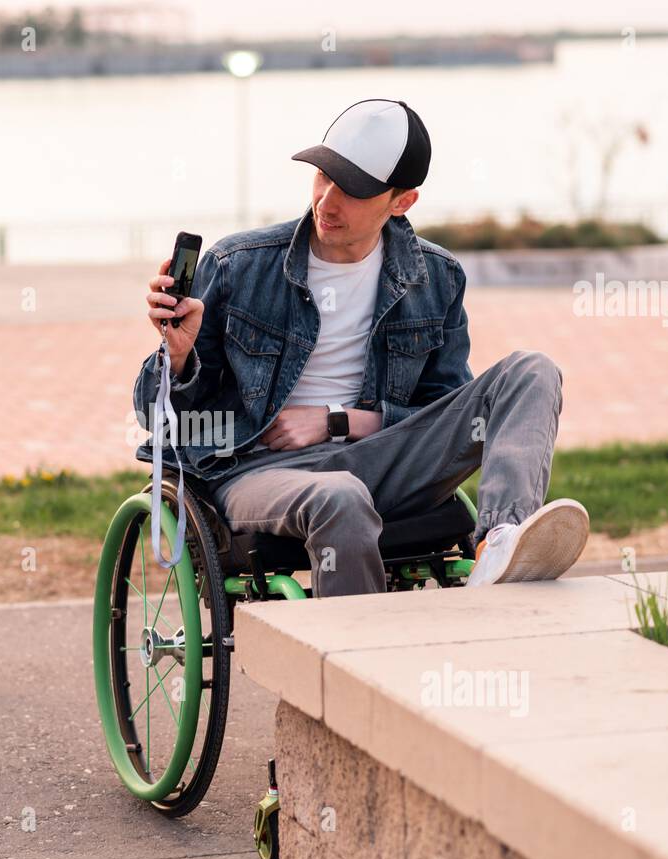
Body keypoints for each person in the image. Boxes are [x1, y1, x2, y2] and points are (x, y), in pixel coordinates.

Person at [132, 98, 589, 596]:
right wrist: (178, 357)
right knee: (341, 496)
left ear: (402, 201)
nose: (327, 201)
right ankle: (356, 661)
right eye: (323, 176)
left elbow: (439, 412)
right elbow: (157, 413)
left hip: (384, 457)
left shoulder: (435, 277)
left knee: (533, 370)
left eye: (352, 190)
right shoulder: (240, 264)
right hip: (260, 471)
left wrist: (340, 420)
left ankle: (500, 541)